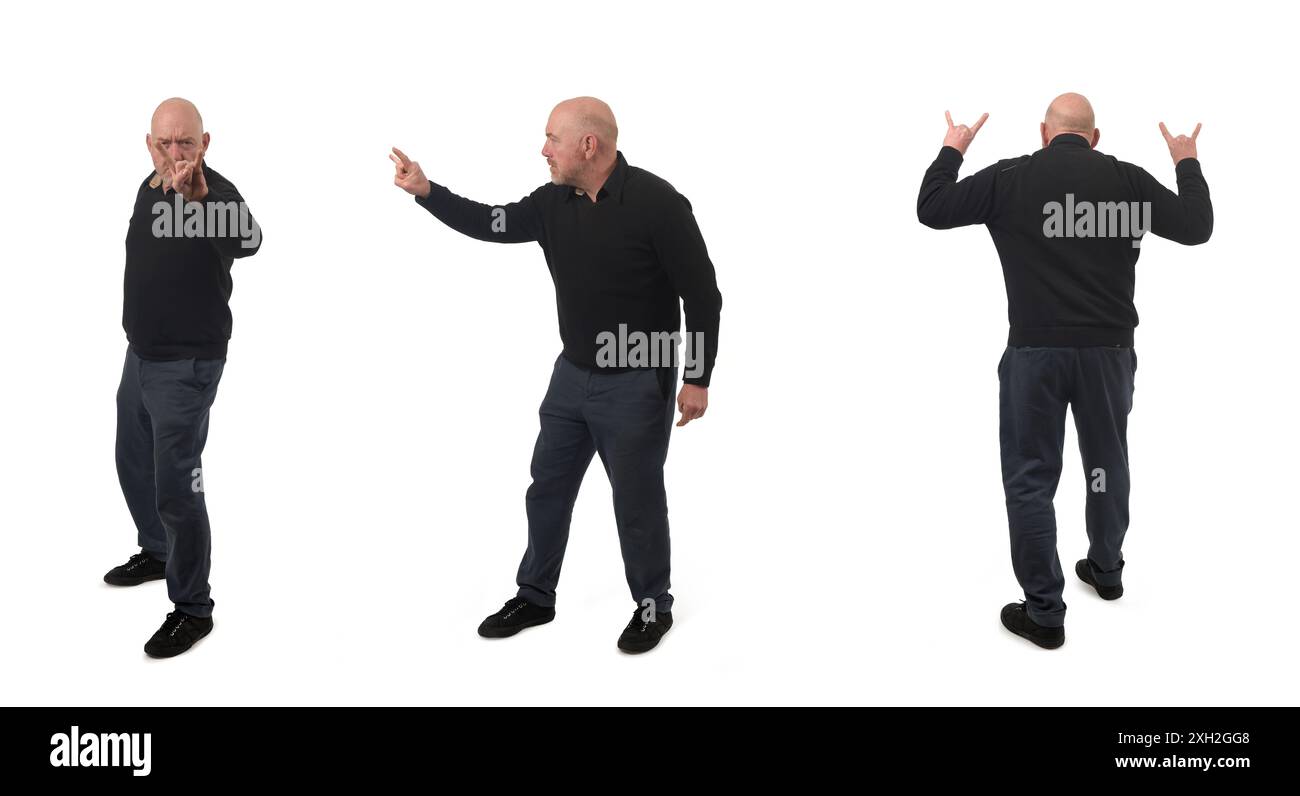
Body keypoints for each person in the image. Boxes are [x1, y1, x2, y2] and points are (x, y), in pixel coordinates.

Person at [391, 97, 722, 654]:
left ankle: (651, 606)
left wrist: (697, 377)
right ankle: (536, 596)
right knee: (547, 489)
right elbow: (491, 222)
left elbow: (703, 295)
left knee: (636, 502)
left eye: (552, 138)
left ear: (588, 145)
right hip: (571, 377)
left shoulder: (659, 204)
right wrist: (428, 192)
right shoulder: (551, 203)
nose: (543, 150)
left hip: (639, 383)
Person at [917, 93, 1212, 648]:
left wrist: (953, 149)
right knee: (1104, 462)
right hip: (1107, 356)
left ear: (1044, 133)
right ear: (1094, 137)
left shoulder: (1010, 178)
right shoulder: (1128, 182)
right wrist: (1185, 161)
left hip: (1036, 357)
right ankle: (1106, 569)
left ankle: (1045, 612)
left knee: (1032, 478)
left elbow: (931, 207)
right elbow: (1197, 226)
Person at [103, 97, 262, 658]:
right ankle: (157, 550)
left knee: (177, 485)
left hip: (186, 367)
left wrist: (199, 199)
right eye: (165, 143)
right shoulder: (148, 186)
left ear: (205, 144)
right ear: (149, 144)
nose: (176, 154)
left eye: (186, 143)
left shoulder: (213, 194)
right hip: (139, 356)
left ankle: (193, 608)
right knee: (130, 458)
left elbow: (249, 240)